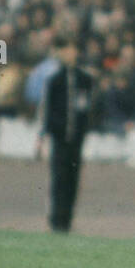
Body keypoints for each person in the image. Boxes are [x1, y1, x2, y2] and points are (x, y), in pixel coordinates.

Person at [41, 33, 95, 233]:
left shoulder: (84, 80)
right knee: (59, 178)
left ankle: (67, 220)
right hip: (60, 138)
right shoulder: (55, 81)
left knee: (73, 179)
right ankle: (56, 220)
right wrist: (53, 130)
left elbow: (86, 108)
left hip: (76, 139)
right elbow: (49, 110)